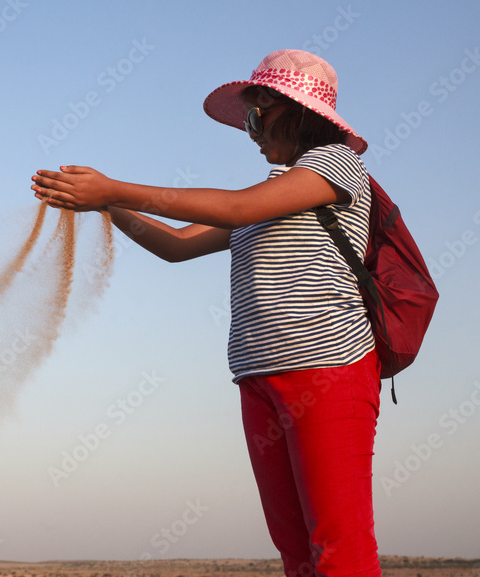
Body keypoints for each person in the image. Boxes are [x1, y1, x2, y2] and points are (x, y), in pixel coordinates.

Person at [31, 49, 381, 577]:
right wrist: (105, 204)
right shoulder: (273, 194)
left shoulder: (334, 164)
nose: (250, 131)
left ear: (298, 111)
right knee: (296, 550)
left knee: (339, 547)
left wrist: (115, 187)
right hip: (259, 375)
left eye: (256, 115)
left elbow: (234, 208)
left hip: (328, 370)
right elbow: (176, 246)